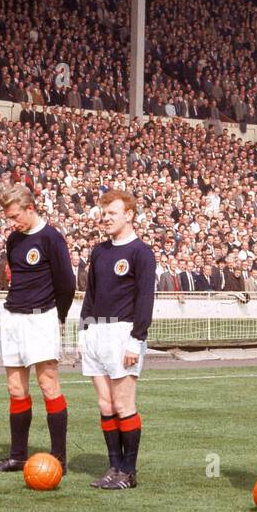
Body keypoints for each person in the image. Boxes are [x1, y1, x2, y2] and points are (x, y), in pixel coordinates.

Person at [0, 184, 75, 473]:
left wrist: (57, 318)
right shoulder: (14, 239)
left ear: (30, 208)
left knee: (48, 384)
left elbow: (66, 284)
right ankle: (17, 456)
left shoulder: (51, 238)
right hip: (12, 317)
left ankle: (59, 457)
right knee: (15, 388)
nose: (12, 223)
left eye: (15, 216)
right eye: (9, 218)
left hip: (41, 317)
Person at [78, 189, 156, 489]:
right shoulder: (99, 251)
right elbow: (91, 294)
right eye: (104, 213)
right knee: (105, 403)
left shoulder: (141, 252)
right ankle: (113, 466)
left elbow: (144, 299)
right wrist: (84, 330)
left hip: (123, 332)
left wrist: (137, 339)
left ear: (129, 215)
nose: (106, 218)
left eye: (112, 213)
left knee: (124, 405)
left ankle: (129, 471)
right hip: (96, 330)